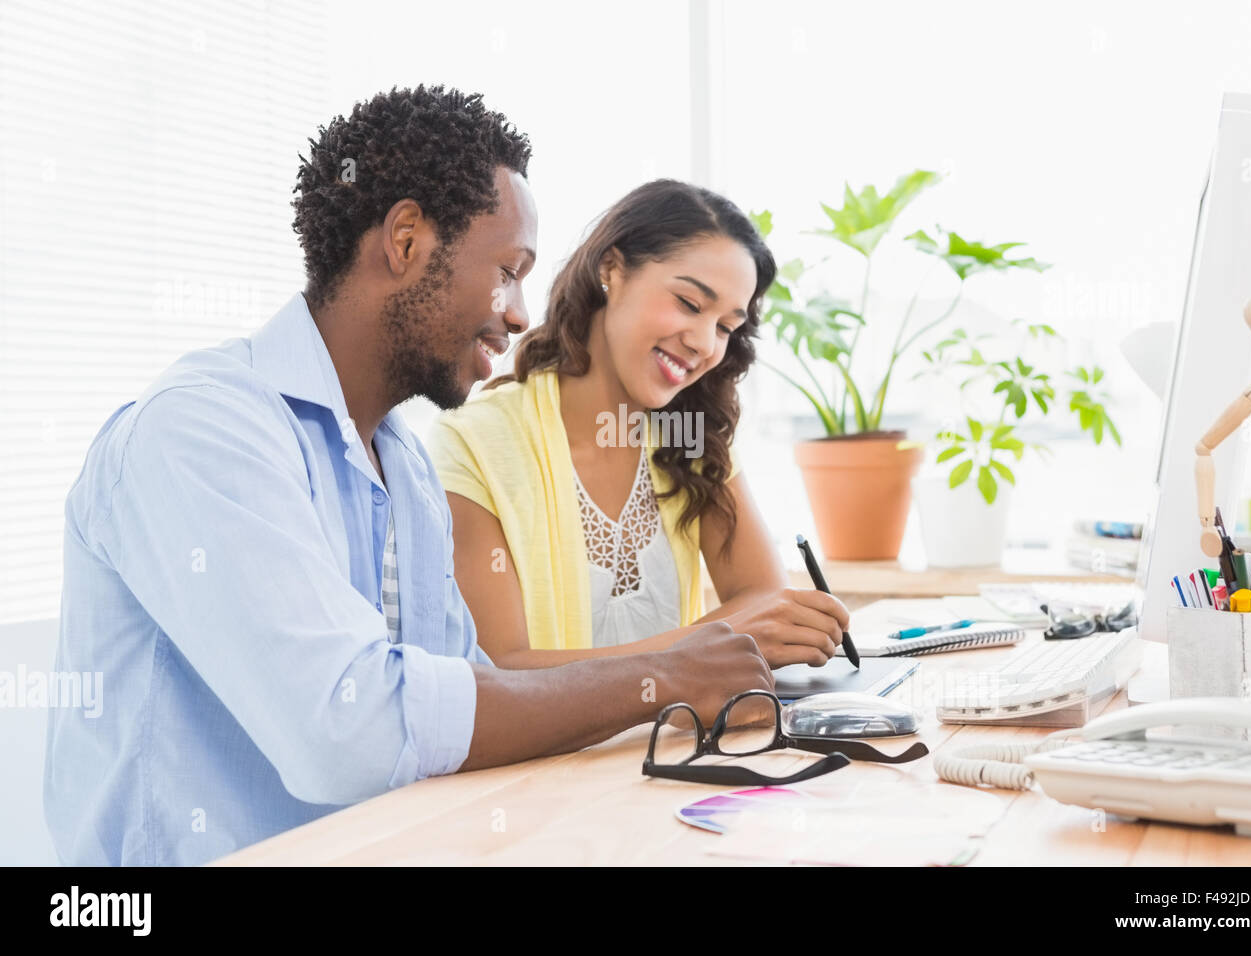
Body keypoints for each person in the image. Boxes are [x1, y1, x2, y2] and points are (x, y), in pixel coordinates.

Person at [43, 85, 771, 867]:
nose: (520, 312)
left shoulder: (407, 473)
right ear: (406, 239)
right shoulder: (203, 430)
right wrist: (657, 678)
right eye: (506, 270)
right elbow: (346, 730)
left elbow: (473, 699)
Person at [430, 179, 850, 669]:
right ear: (612, 269)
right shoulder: (473, 444)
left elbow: (763, 597)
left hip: (686, 743)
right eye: (690, 304)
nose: (704, 343)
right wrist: (708, 645)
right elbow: (500, 669)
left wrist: (758, 628)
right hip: (560, 750)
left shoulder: (691, 435)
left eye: (725, 328)